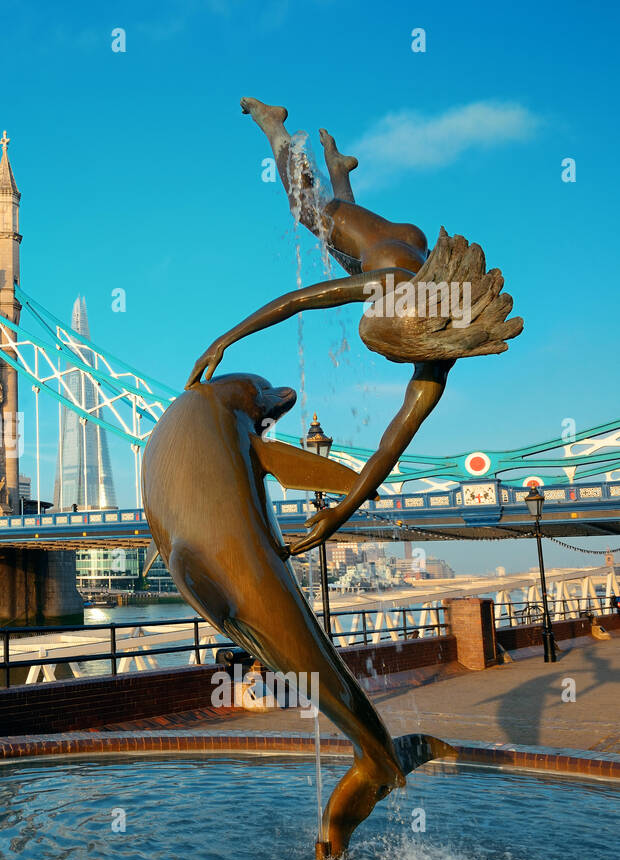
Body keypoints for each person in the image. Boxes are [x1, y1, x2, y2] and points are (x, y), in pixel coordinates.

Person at [189, 97, 523, 557]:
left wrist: (339, 512)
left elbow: (389, 448)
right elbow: (299, 301)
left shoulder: (437, 357)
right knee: (308, 211)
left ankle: (341, 170)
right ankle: (275, 125)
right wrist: (224, 340)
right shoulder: (395, 283)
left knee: (345, 250)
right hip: (392, 246)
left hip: (406, 243)